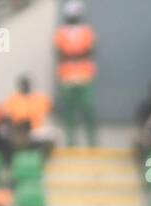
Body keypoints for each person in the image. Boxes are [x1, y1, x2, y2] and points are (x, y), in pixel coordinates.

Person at [54, 1, 97, 146]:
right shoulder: (60, 32)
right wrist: (77, 54)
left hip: (85, 76)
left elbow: (90, 52)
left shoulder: (87, 31)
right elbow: (60, 54)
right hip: (67, 76)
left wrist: (71, 54)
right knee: (69, 111)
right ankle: (71, 142)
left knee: (88, 109)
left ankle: (92, 142)